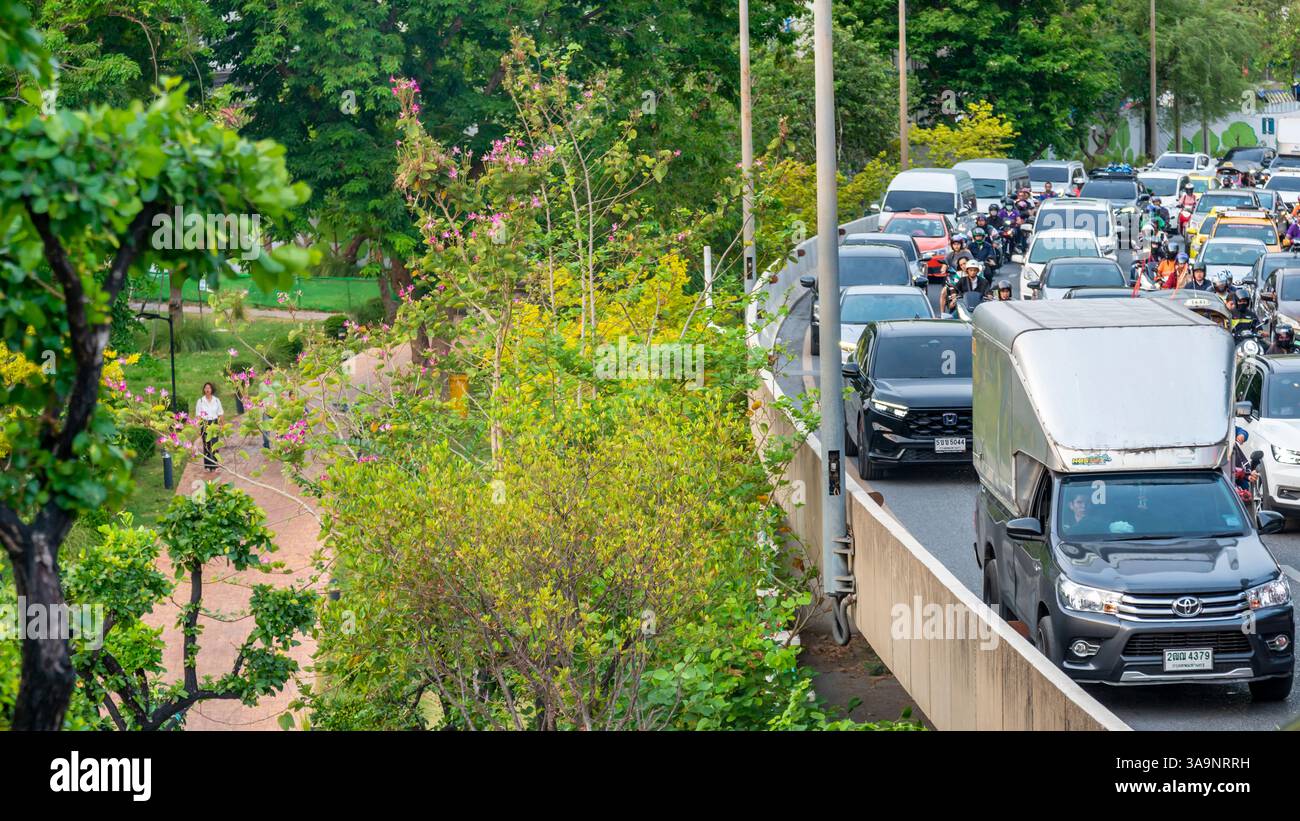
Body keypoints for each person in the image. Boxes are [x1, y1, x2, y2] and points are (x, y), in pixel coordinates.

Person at [195, 381, 224, 472]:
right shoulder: (200, 401)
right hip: (205, 423)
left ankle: (215, 465)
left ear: (212, 390)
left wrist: (222, 424)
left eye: (209, 388)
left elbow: (220, 413)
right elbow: (198, 415)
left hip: (214, 423)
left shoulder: (216, 400)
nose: (207, 389)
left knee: (215, 444)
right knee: (206, 444)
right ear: (204, 390)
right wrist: (198, 427)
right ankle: (208, 465)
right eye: (206, 388)